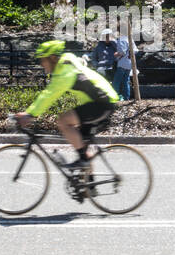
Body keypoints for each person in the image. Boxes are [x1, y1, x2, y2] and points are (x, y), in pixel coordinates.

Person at [16, 40, 119, 168]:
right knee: (82, 146)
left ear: (53, 58)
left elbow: (48, 95)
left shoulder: (65, 74)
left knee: (63, 121)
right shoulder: (66, 60)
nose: (42, 64)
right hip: (101, 101)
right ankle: (89, 184)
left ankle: (84, 160)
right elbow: (77, 60)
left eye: (43, 60)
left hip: (101, 103)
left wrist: (30, 114)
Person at [112, 30, 134, 101]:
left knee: (116, 82)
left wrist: (116, 54)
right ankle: (126, 98)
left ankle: (115, 97)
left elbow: (122, 52)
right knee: (125, 81)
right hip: (129, 64)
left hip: (122, 63)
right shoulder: (130, 39)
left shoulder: (121, 39)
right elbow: (136, 50)